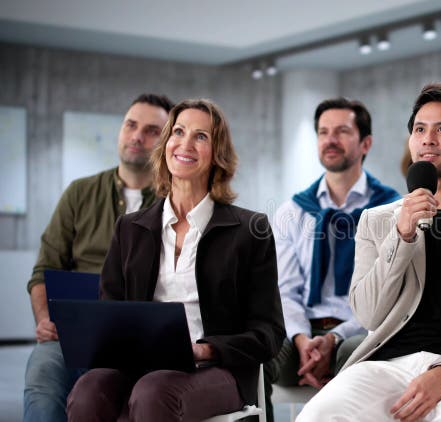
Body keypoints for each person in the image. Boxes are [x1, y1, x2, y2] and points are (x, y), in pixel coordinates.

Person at [296, 83, 441, 422]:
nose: (427, 139)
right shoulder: (377, 221)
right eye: (420, 129)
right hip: (385, 363)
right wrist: (401, 235)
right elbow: (368, 315)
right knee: (317, 415)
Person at [65, 99, 286, 421]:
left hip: (218, 370)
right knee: (88, 389)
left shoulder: (249, 230)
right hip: (140, 366)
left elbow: (269, 332)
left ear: (217, 153)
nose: (185, 144)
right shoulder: (129, 228)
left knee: (154, 391)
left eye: (201, 136)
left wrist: (206, 349)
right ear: (166, 143)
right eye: (178, 132)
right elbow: (109, 310)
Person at [23, 93, 173, 422]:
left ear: (166, 142)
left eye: (151, 131)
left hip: (143, 338)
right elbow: (43, 270)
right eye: (131, 125)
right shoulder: (80, 193)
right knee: (43, 380)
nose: (137, 136)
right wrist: (45, 319)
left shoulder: (175, 202)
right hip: (73, 333)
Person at [269, 97, 400, 392]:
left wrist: (334, 338)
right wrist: (303, 340)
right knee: (261, 352)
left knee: (351, 354)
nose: (330, 140)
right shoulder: (293, 211)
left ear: (365, 144)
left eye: (342, 131)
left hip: (362, 329)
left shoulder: (392, 211)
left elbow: (389, 294)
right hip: (304, 329)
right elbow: (285, 290)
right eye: (323, 132)